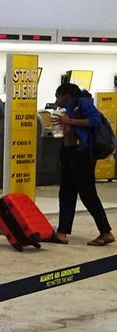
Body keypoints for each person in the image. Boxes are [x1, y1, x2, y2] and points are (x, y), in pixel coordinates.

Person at [46, 82, 114, 246]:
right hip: (70, 153)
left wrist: (70, 121)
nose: (56, 101)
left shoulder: (82, 103)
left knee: (87, 194)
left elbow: (95, 121)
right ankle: (62, 233)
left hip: (82, 154)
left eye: (58, 96)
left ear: (66, 95)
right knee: (66, 193)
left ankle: (106, 232)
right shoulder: (69, 108)